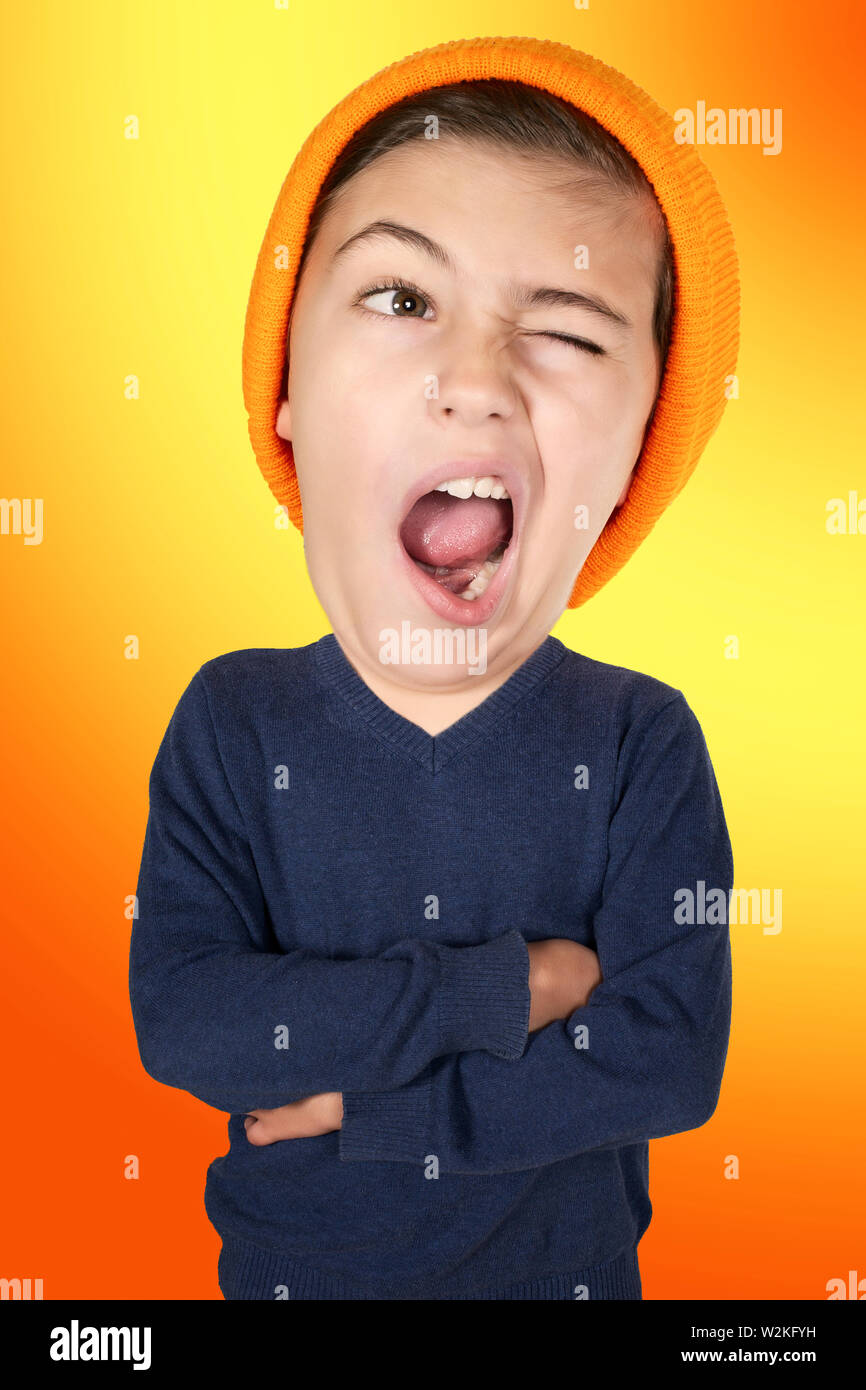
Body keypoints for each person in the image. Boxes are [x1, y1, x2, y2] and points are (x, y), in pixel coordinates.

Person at [130, 34, 739, 1300]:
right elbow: (190, 1024)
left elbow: (668, 1059)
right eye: (402, 298)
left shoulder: (639, 741)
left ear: (636, 458)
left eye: (566, 331)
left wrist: (379, 1117)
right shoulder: (231, 722)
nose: (473, 381)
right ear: (284, 389)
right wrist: (500, 989)